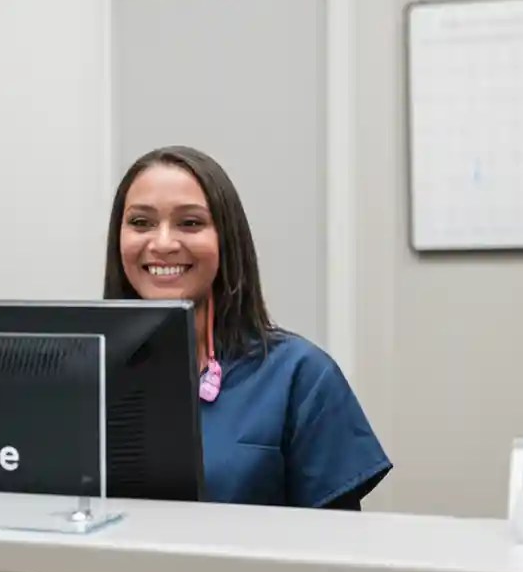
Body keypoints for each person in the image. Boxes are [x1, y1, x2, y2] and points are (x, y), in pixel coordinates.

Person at [103, 145, 391, 509]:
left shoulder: (299, 376)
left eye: (190, 223)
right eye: (140, 223)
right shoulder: (88, 375)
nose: (162, 243)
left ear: (227, 239)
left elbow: (336, 551)